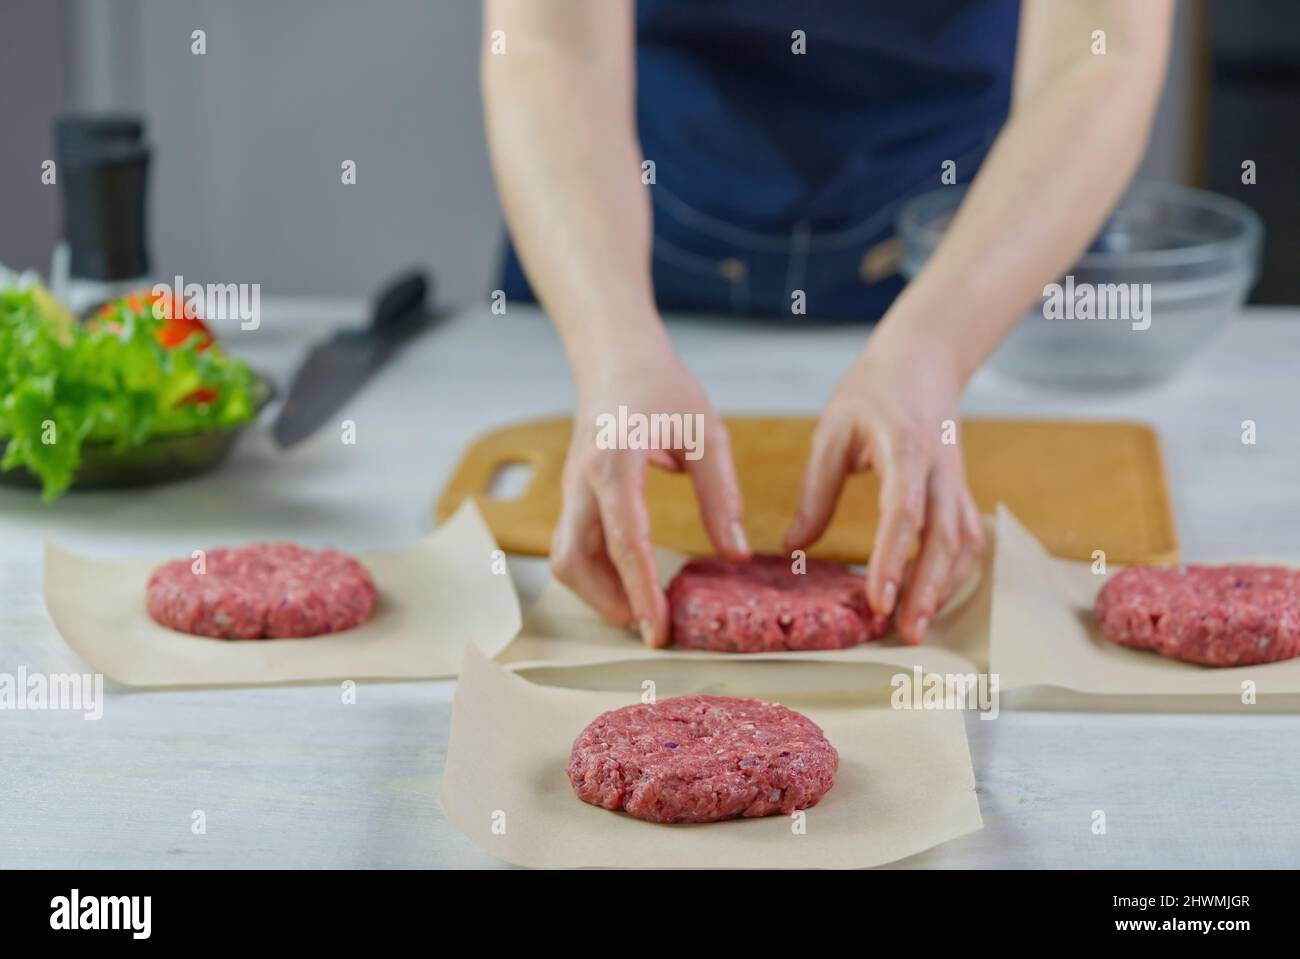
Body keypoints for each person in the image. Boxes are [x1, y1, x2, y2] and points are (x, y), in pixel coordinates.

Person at [481, 0, 1173, 646]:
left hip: (984, 225)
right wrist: (615, 349)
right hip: (625, 216)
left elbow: (1098, 53)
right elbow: (550, 43)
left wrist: (934, 346)